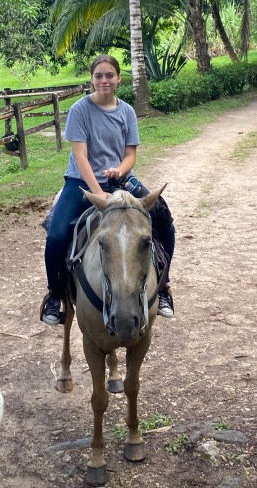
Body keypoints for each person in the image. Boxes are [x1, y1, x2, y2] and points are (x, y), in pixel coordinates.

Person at [40, 54, 175, 326]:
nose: (104, 80)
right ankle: (55, 295)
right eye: (99, 76)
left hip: (121, 180)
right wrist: (97, 192)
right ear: (92, 80)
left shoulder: (126, 111)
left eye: (109, 75)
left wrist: (120, 171)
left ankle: (162, 289)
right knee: (56, 235)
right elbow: (80, 156)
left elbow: (130, 156)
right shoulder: (79, 110)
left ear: (117, 79)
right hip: (81, 181)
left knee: (165, 223)